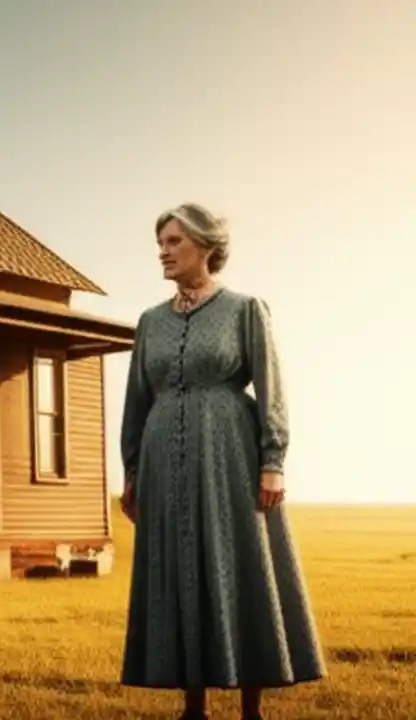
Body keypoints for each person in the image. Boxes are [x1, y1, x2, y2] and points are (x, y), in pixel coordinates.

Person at [118, 203, 326, 720]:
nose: (163, 252)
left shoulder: (245, 309)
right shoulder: (149, 322)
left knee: (243, 563)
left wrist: (273, 460)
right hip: (163, 458)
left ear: (206, 248)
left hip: (232, 453)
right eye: (160, 243)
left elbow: (272, 389)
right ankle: (193, 705)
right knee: (180, 564)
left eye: (174, 242)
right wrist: (132, 471)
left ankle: (250, 707)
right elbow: (136, 401)